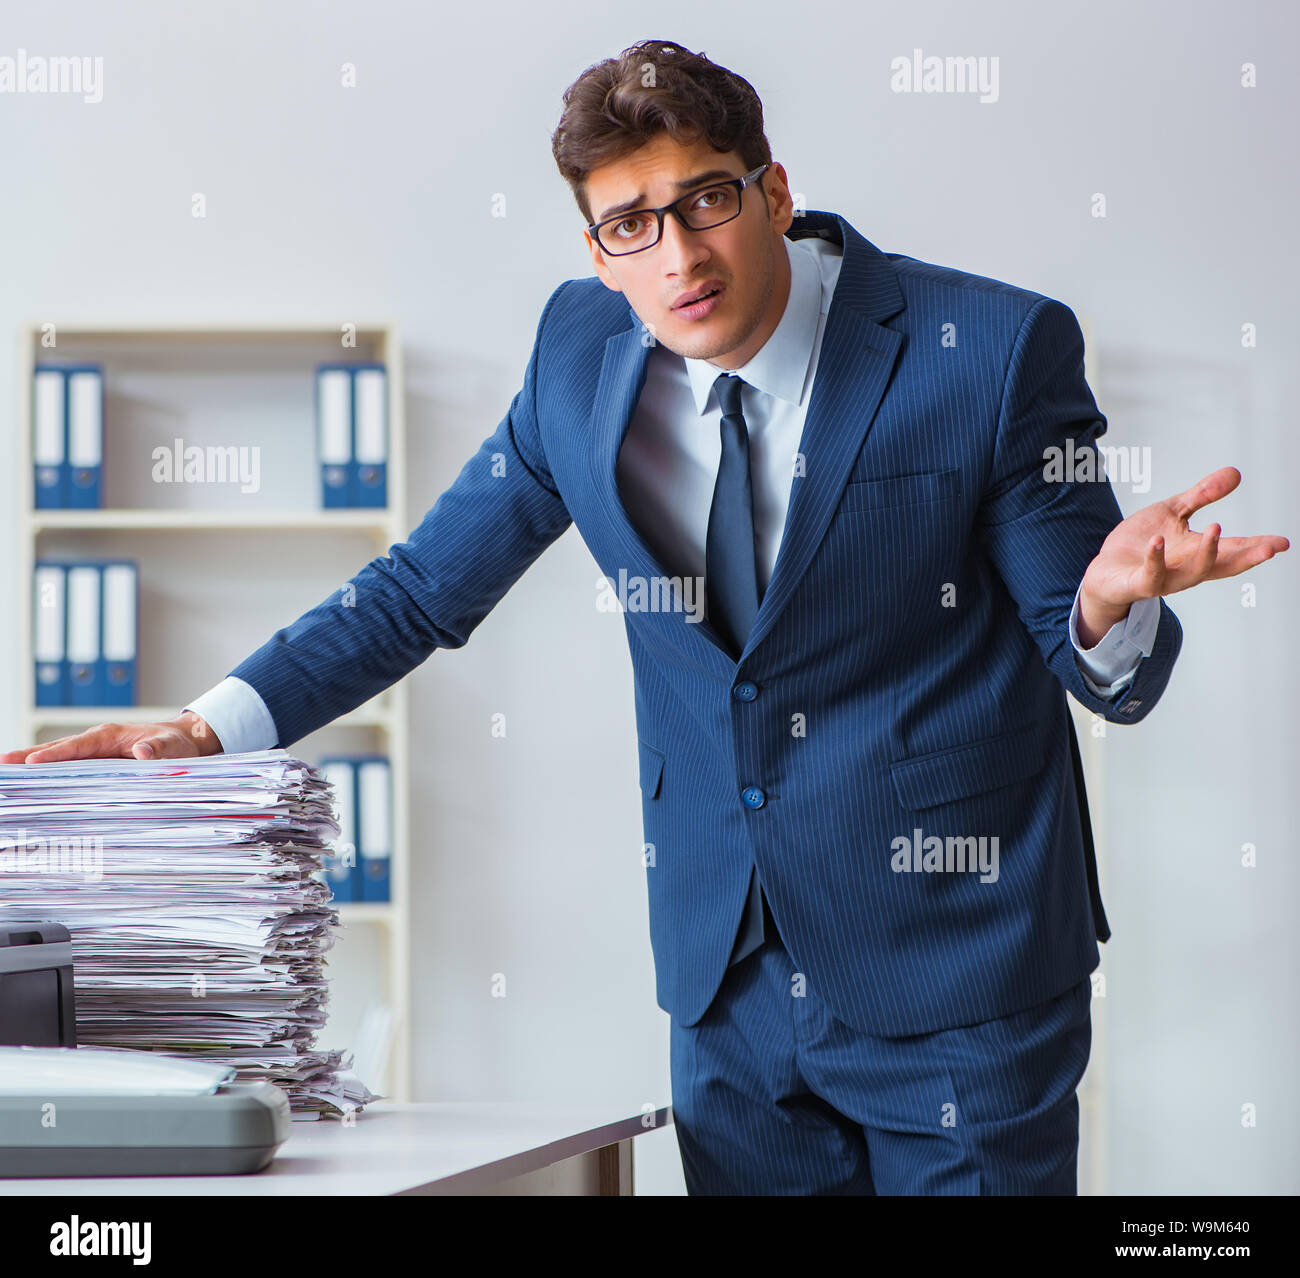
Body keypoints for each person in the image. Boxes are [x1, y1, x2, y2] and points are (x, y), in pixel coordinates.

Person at [6, 39, 1287, 1195]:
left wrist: (1112, 606)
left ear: (771, 192)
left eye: (706, 201)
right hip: (726, 985)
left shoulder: (986, 348)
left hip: (958, 974)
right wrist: (204, 730)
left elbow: (1104, 657)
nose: (678, 255)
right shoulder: (580, 358)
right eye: (630, 225)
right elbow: (417, 590)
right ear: (594, 252)